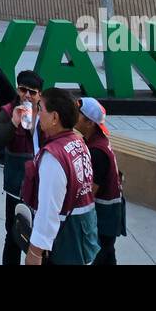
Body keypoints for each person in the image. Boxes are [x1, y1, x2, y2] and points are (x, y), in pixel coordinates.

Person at [21, 87, 99, 265]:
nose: (38, 114)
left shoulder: (53, 157)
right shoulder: (79, 142)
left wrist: (35, 251)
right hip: (83, 235)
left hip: (65, 243)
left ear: (55, 118)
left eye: (41, 109)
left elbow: (48, 210)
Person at [0, 69, 44, 266]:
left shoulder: (47, 114)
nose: (27, 95)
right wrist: (14, 122)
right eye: (23, 90)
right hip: (16, 187)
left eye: (32, 92)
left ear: (40, 94)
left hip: (41, 188)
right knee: (13, 235)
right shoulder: (7, 110)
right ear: (17, 89)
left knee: (40, 239)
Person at [73, 97, 125, 265]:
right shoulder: (96, 141)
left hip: (105, 215)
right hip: (108, 212)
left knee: (100, 255)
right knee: (107, 254)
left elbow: (89, 192)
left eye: (78, 114)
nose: (74, 115)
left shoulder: (97, 151)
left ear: (89, 123)